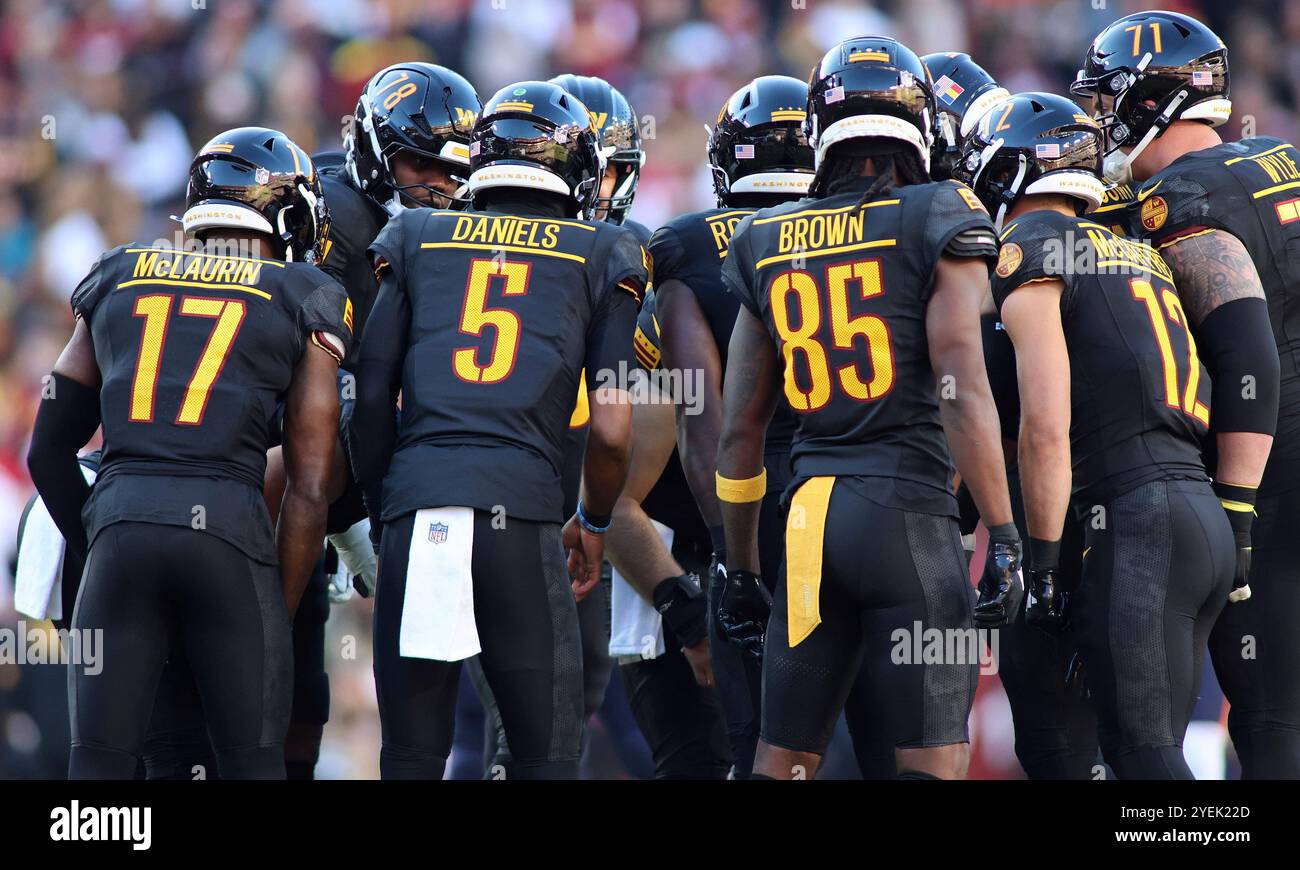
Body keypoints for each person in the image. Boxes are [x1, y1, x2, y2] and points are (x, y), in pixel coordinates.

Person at [717, 36, 1019, 780]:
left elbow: (739, 430)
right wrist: (1006, 534)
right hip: (910, 515)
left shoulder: (764, 236)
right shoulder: (938, 211)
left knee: (780, 763)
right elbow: (961, 386)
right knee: (930, 764)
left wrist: (738, 563)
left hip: (810, 523)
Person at [27, 126, 351, 779]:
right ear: (287, 217)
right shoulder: (303, 292)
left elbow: (46, 450)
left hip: (121, 524)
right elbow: (311, 486)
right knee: (251, 766)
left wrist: (104, 540)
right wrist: (272, 607)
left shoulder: (121, 271)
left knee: (100, 775)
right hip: (228, 534)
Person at [349, 81, 648, 780]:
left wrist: (386, 506)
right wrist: (594, 524)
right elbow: (609, 431)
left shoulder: (416, 234)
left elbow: (368, 398)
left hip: (418, 506)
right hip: (525, 515)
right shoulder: (603, 250)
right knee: (547, 756)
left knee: (413, 758)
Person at [965, 90, 1233, 778]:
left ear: (1005, 171)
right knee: (1143, 750)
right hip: (1197, 512)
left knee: (1143, 762)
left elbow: (1046, 429)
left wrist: (1045, 567)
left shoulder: (1033, 244)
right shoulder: (1136, 250)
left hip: (1136, 516)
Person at [1073, 9, 1292, 778]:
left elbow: (1246, 354)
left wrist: (1235, 507)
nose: (1100, 123)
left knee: (1270, 728)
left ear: (1148, 100)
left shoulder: (1174, 199)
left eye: (1106, 103)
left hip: (1271, 472)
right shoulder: (1284, 156)